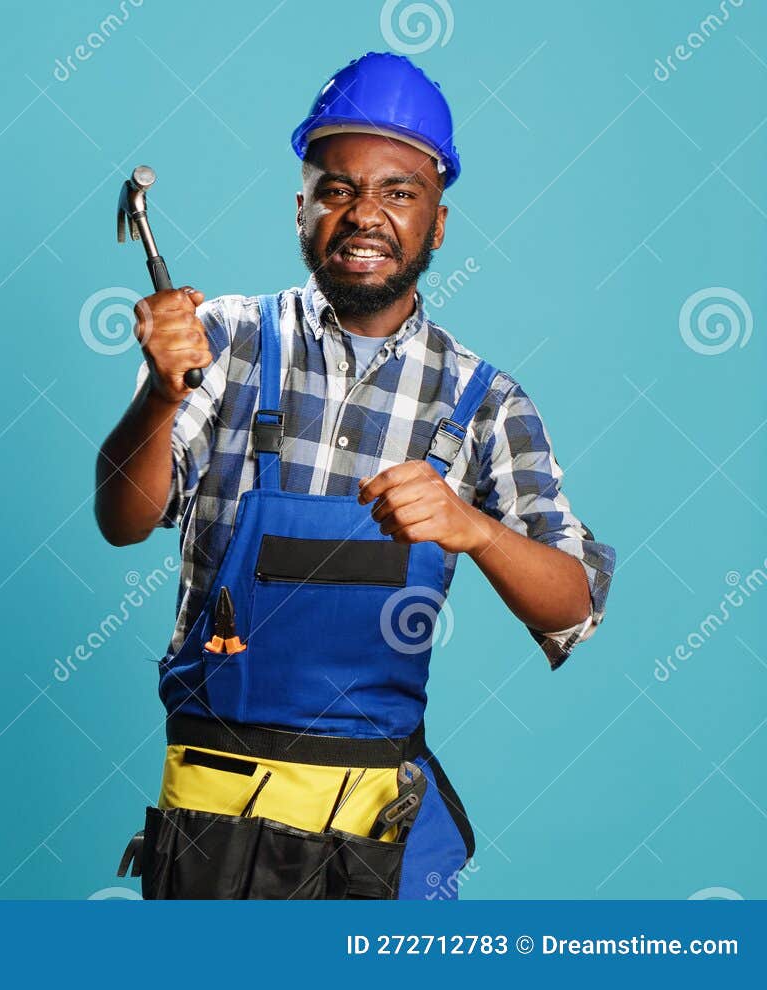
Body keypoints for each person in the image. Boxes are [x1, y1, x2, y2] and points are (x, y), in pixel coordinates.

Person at [98, 52, 615, 900]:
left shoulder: (484, 402)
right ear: (300, 209)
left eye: (397, 192)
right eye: (336, 189)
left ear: (438, 222)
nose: (364, 214)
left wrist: (473, 528)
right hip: (213, 825)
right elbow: (123, 518)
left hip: (372, 828)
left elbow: (575, 610)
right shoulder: (222, 341)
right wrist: (160, 395)